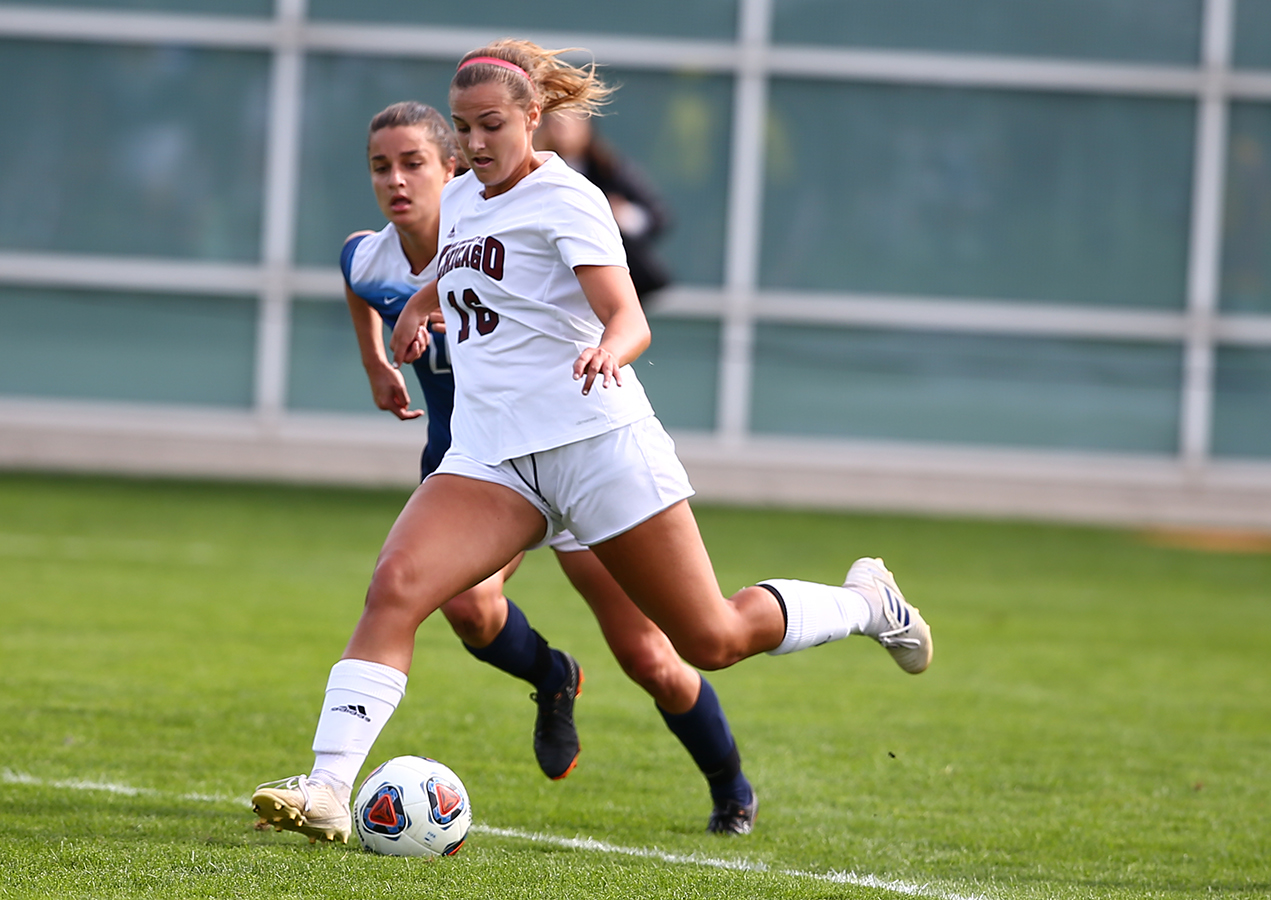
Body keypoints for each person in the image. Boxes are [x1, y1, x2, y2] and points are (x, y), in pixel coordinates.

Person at [251, 40, 933, 846]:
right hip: (493, 457)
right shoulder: (466, 197)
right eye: (464, 128)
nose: (473, 144)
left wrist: (612, 346)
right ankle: (329, 785)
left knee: (708, 640)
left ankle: (866, 602)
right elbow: (463, 261)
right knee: (397, 584)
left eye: (491, 126)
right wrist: (419, 302)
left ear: (533, 118)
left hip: (595, 443)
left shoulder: (570, 198)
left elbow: (629, 314)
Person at [311, 99, 758, 833]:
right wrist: (375, 364)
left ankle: (730, 785)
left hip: (572, 455)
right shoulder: (374, 254)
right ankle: (553, 678)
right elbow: (356, 276)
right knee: (463, 605)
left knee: (653, 652)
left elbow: (611, 300)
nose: (396, 181)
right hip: (481, 469)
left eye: (414, 163)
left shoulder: (506, 223)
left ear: (453, 167)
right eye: (380, 167)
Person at [533, 109, 672, 301]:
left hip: (607, 276)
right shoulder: (537, 174)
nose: (561, 129)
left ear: (586, 127)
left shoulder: (609, 168)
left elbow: (658, 216)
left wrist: (622, 215)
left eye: (569, 122)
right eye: (555, 123)